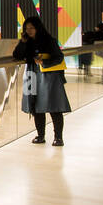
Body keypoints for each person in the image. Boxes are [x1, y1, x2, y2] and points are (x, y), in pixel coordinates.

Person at [12, 15, 70, 146]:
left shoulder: (49, 40)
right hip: (31, 74)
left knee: (53, 106)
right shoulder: (27, 41)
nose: (29, 31)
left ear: (38, 28)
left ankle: (58, 137)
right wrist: (22, 42)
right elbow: (16, 55)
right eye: (27, 28)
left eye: (32, 28)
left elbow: (58, 57)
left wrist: (44, 62)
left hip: (48, 76)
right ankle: (40, 135)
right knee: (35, 106)